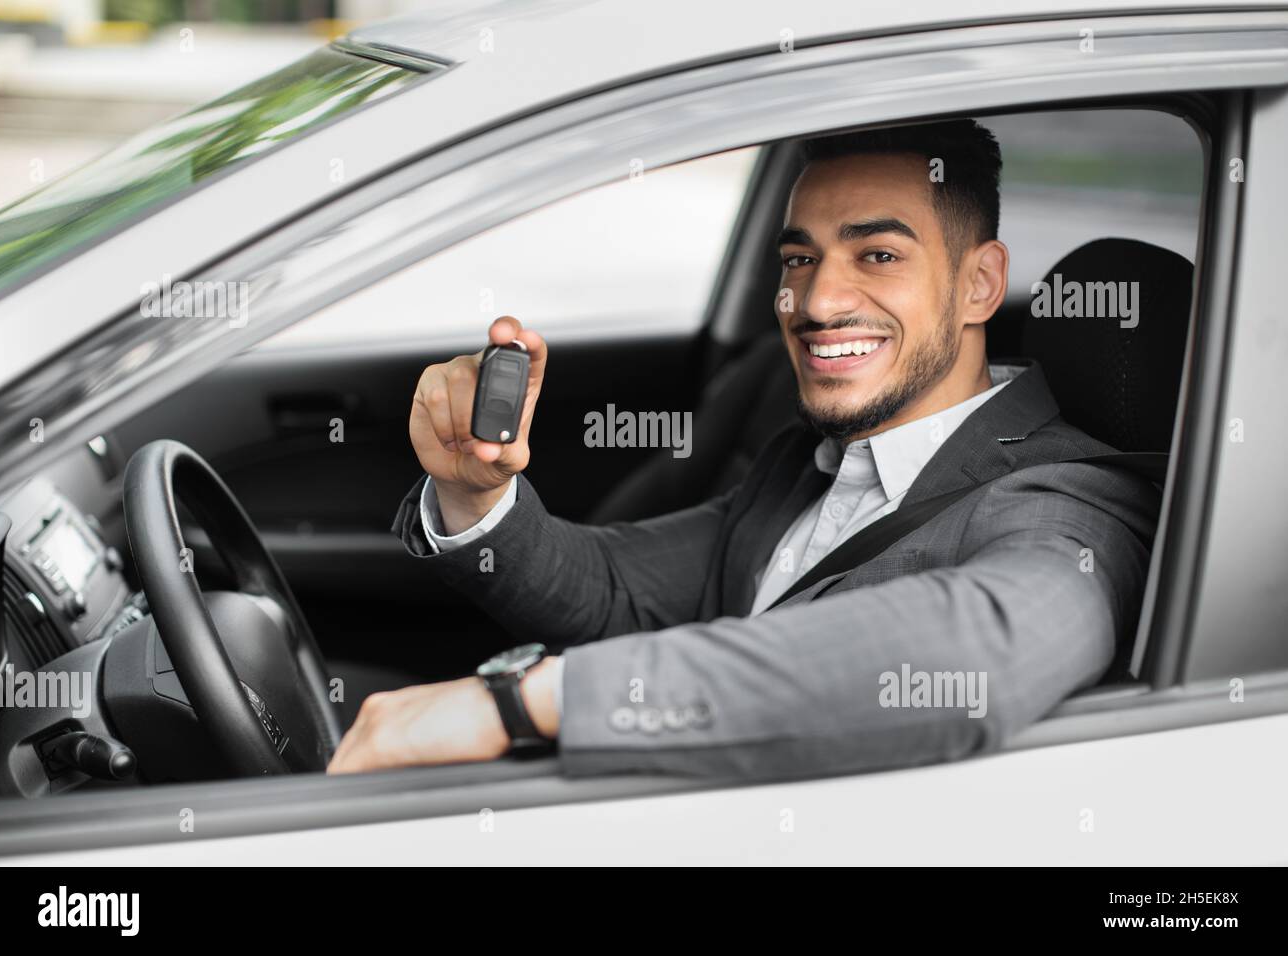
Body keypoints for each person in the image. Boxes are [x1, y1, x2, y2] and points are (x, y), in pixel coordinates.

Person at [327, 120, 1160, 780]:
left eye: (878, 254)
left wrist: (513, 705)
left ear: (979, 284)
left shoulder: (1072, 495)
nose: (818, 299)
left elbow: (983, 655)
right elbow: (619, 593)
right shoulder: (812, 458)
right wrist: (475, 493)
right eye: (800, 258)